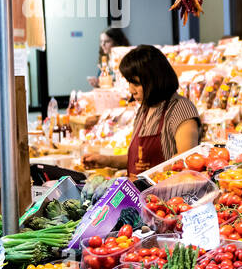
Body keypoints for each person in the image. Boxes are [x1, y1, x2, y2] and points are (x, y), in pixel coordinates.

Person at [83, 44, 200, 176]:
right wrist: (107, 160)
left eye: (136, 84)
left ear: (155, 79)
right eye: (129, 83)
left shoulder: (180, 109)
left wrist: (148, 177)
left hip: (165, 194)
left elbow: (186, 159)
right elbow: (139, 160)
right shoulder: (144, 110)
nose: (131, 90)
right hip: (139, 192)